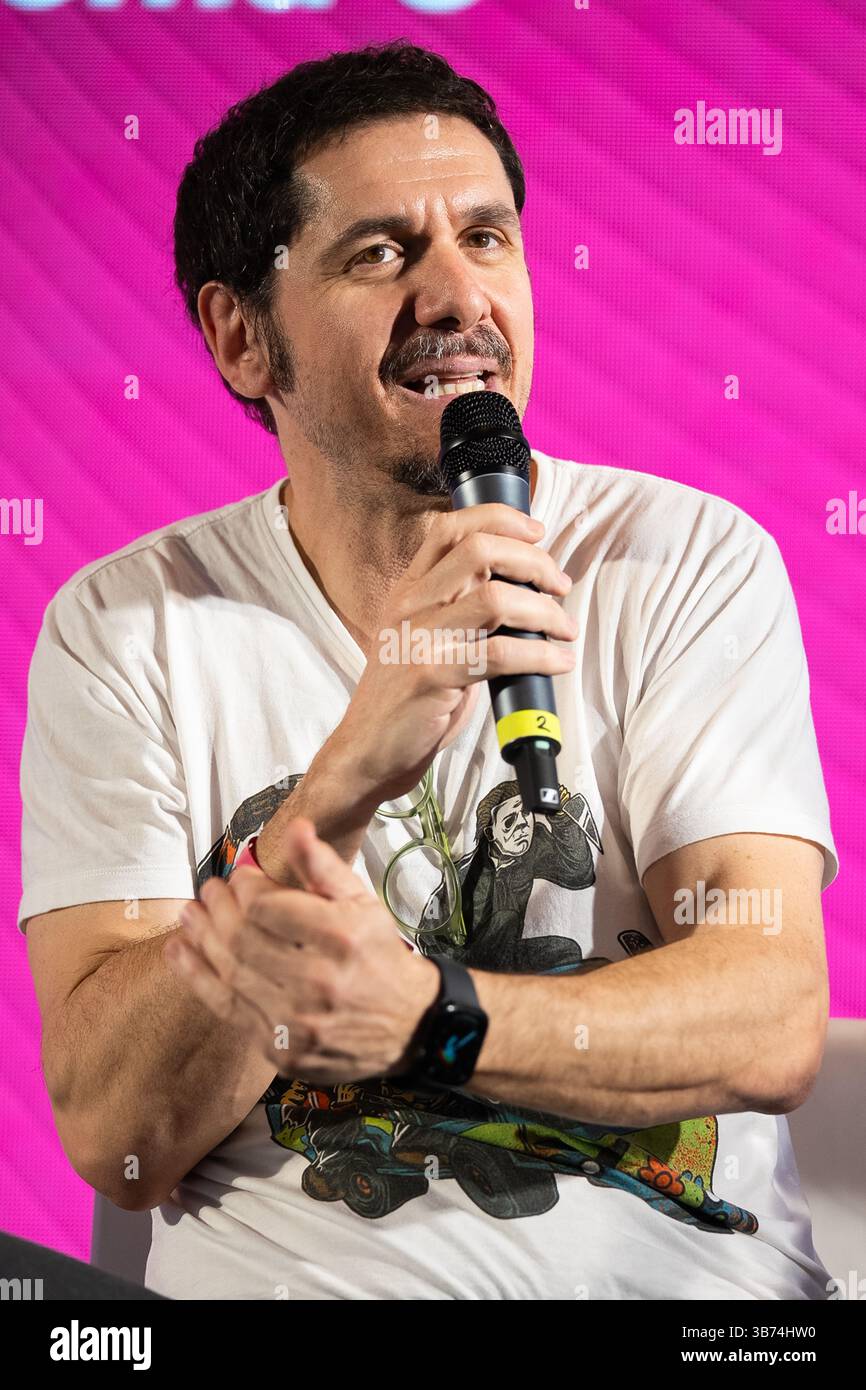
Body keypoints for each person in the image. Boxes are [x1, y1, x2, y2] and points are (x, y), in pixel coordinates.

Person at [19, 42, 839, 1301]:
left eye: (488, 238)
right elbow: (122, 1138)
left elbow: (768, 1016)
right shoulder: (129, 623)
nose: (461, 296)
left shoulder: (678, 560)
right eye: (382, 252)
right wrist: (342, 778)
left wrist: (429, 1017)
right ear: (243, 337)